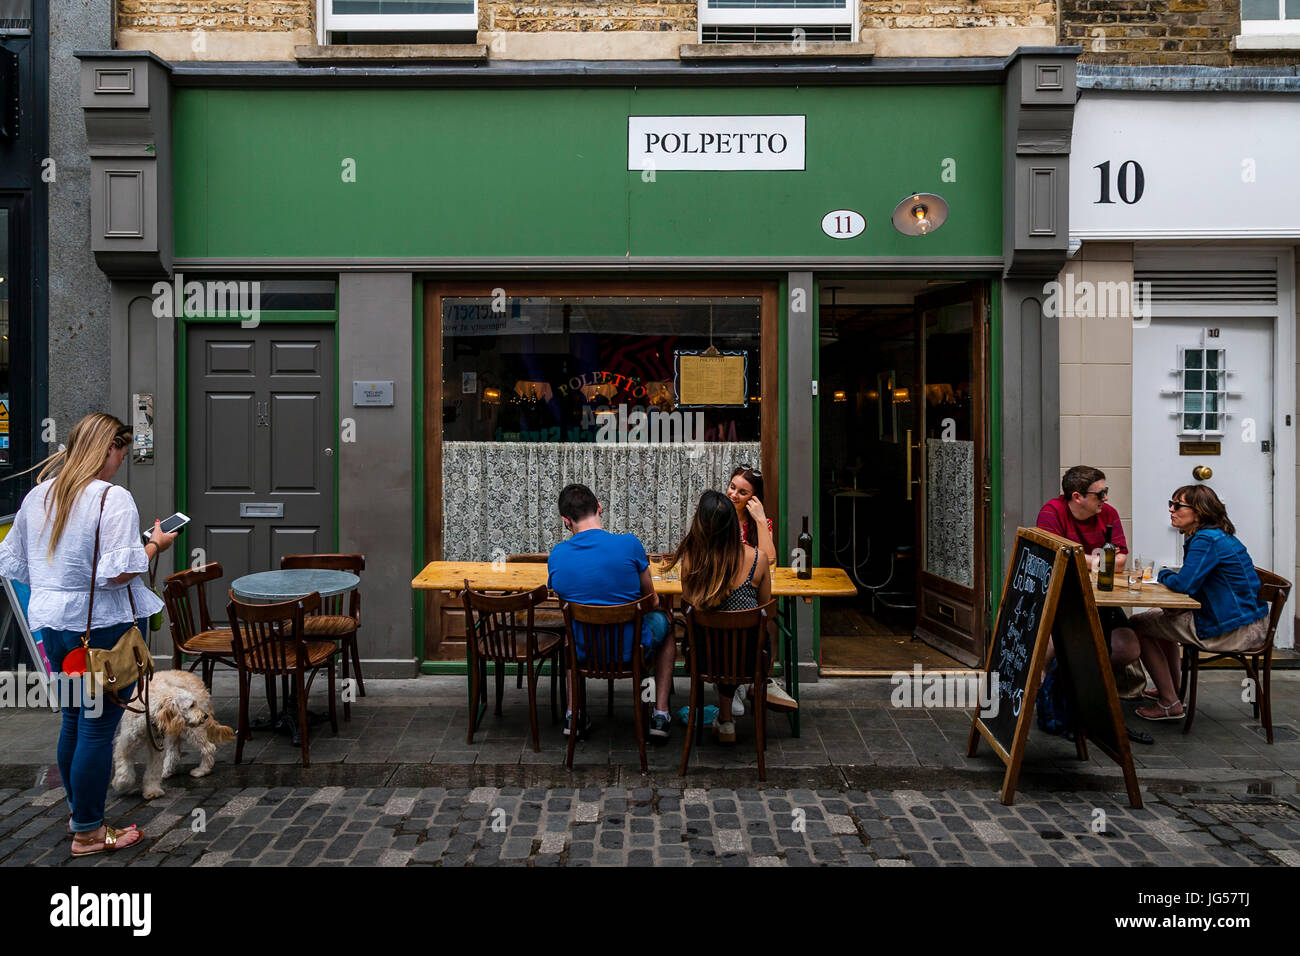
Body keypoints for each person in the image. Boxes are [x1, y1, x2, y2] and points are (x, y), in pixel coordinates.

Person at [0, 413, 177, 856]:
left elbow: (18, 563)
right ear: (110, 449)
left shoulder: (39, 495)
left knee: (75, 723)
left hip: (56, 631)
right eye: (121, 451)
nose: (121, 461)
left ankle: (81, 814)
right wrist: (155, 545)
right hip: (101, 633)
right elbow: (121, 574)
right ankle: (89, 833)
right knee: (97, 731)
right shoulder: (111, 498)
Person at [547, 483, 676, 740]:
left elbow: (563, 598)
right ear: (599, 508)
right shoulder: (630, 545)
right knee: (667, 624)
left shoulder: (557, 555)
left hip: (584, 652)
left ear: (566, 521)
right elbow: (650, 602)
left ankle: (574, 715)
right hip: (629, 650)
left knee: (571, 635)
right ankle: (660, 714)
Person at [1131, 485, 1269, 721]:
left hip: (1235, 629)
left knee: (1138, 624)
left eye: (1177, 506)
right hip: (1245, 620)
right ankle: (1172, 690)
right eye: (1170, 504)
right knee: (1161, 616)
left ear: (1200, 511)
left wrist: (1162, 574)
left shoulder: (1206, 540)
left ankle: (1169, 701)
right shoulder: (1214, 536)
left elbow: (1185, 585)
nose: (1171, 511)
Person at [665, 490, 773, 743]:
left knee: (716, 637)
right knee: (746, 637)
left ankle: (725, 720)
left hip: (704, 659)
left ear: (700, 523)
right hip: (750, 660)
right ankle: (739, 706)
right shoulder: (758, 559)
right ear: (733, 524)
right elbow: (767, 610)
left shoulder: (692, 560)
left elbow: (688, 606)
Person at [1036, 465, 1139, 670]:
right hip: (1062, 595)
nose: (1106, 498)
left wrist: (1078, 557)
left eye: (1106, 491)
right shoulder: (1052, 512)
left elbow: (1120, 562)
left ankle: (1085, 681)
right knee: (1051, 645)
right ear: (1077, 497)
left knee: (1128, 649)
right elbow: (1054, 557)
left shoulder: (1108, 514)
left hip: (1101, 596)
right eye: (1100, 493)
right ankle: (1048, 690)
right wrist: (1099, 560)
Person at [727, 465, 776, 567]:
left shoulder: (763, 523)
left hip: (751, 580)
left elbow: (769, 561)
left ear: (754, 498)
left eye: (742, 492)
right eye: (732, 487)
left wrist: (760, 519)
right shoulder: (715, 518)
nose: (734, 495)